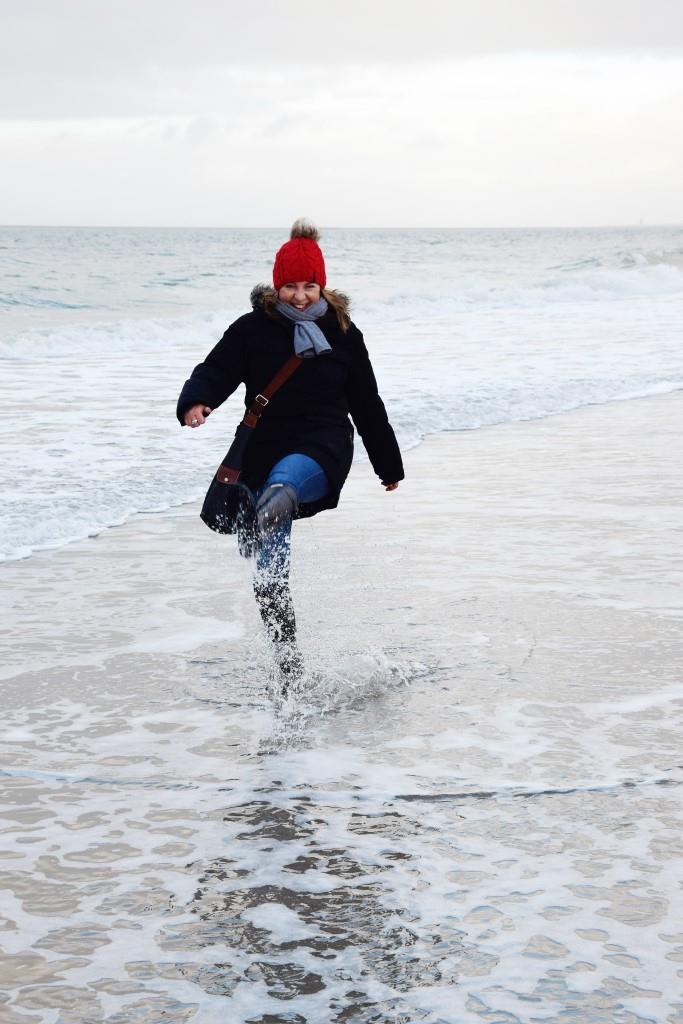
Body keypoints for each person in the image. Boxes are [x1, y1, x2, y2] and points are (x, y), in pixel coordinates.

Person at [176, 219, 404, 680]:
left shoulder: (343, 332)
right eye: (290, 287)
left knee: (287, 480)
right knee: (268, 578)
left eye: (310, 285)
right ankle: (288, 664)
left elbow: (366, 402)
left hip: (322, 444)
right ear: (276, 286)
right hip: (262, 446)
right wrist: (198, 401)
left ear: (323, 284)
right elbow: (217, 368)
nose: (300, 296)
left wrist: (387, 462)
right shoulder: (252, 329)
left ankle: (274, 501)